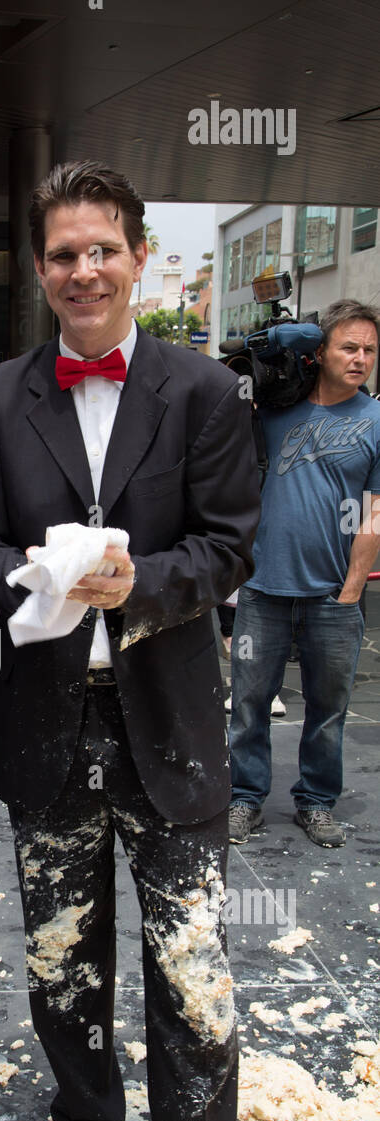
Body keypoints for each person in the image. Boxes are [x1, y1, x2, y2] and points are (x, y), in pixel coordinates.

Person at [0, 160, 260, 1121]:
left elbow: (225, 551)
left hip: (168, 717)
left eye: (102, 250)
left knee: (188, 957)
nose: (83, 271)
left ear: (138, 257)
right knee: (59, 952)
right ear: (40, 271)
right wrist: (26, 579)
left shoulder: (207, 392)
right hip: (43, 720)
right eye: (62, 254)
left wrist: (142, 583)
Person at [228, 299, 380, 848]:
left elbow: (374, 513)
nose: (361, 357)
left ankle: (316, 803)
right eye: (348, 346)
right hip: (264, 589)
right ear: (320, 351)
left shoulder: (377, 421)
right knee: (247, 707)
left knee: (327, 711)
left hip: (334, 597)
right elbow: (235, 371)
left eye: (369, 349)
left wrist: (352, 590)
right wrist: (287, 340)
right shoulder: (272, 408)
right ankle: (244, 798)